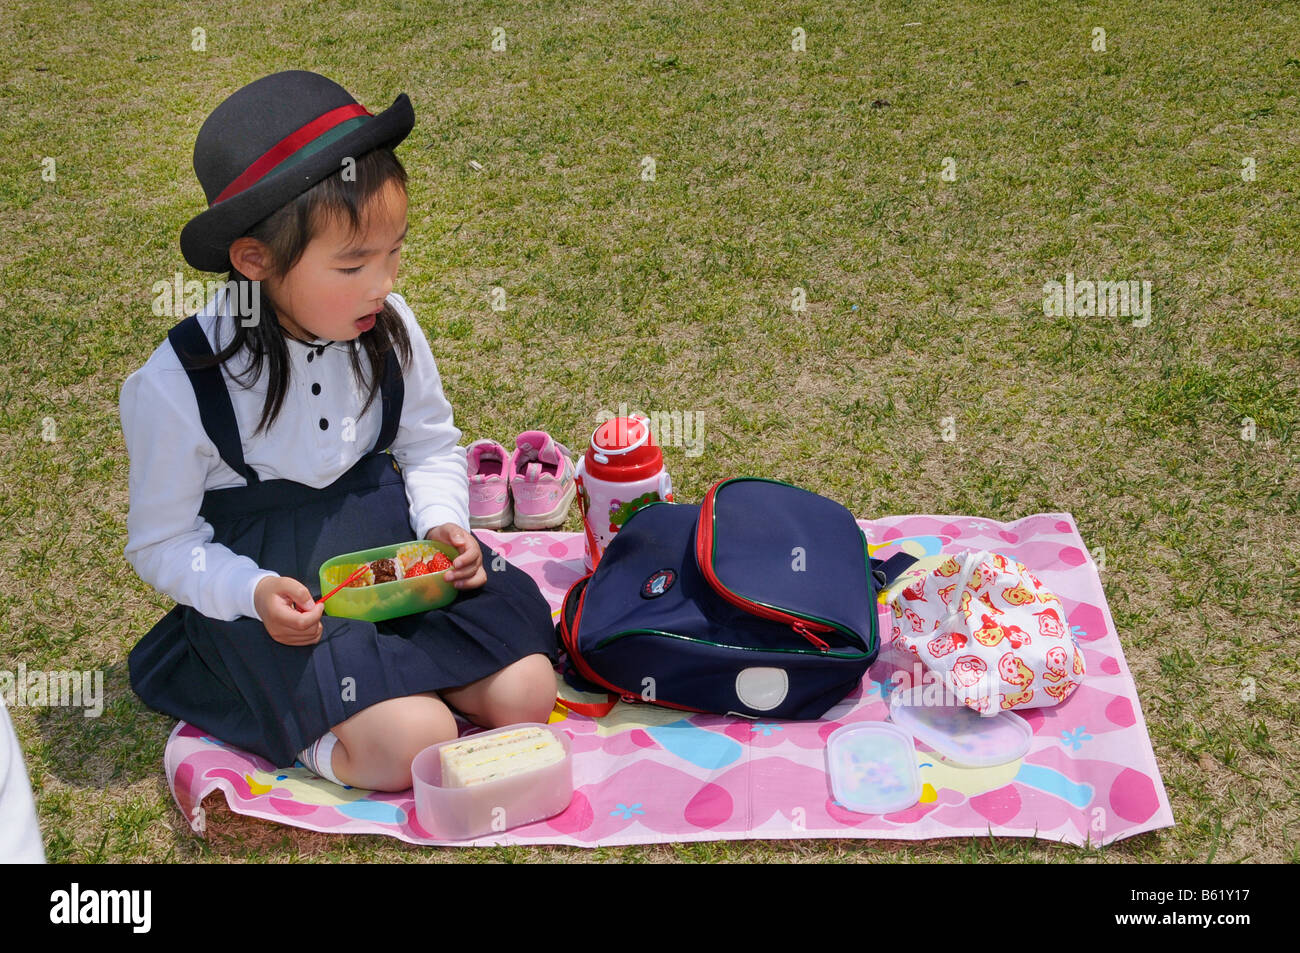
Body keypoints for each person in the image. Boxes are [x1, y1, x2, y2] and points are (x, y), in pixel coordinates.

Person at [120, 71, 559, 792]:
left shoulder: (388, 323)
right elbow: (162, 543)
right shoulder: (177, 383)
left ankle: (407, 684)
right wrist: (251, 591)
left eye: (393, 252)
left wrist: (446, 521)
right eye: (354, 263)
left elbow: (427, 444)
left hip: (394, 559)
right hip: (282, 592)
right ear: (254, 261)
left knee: (527, 692)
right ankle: (322, 740)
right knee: (412, 743)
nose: (382, 284)